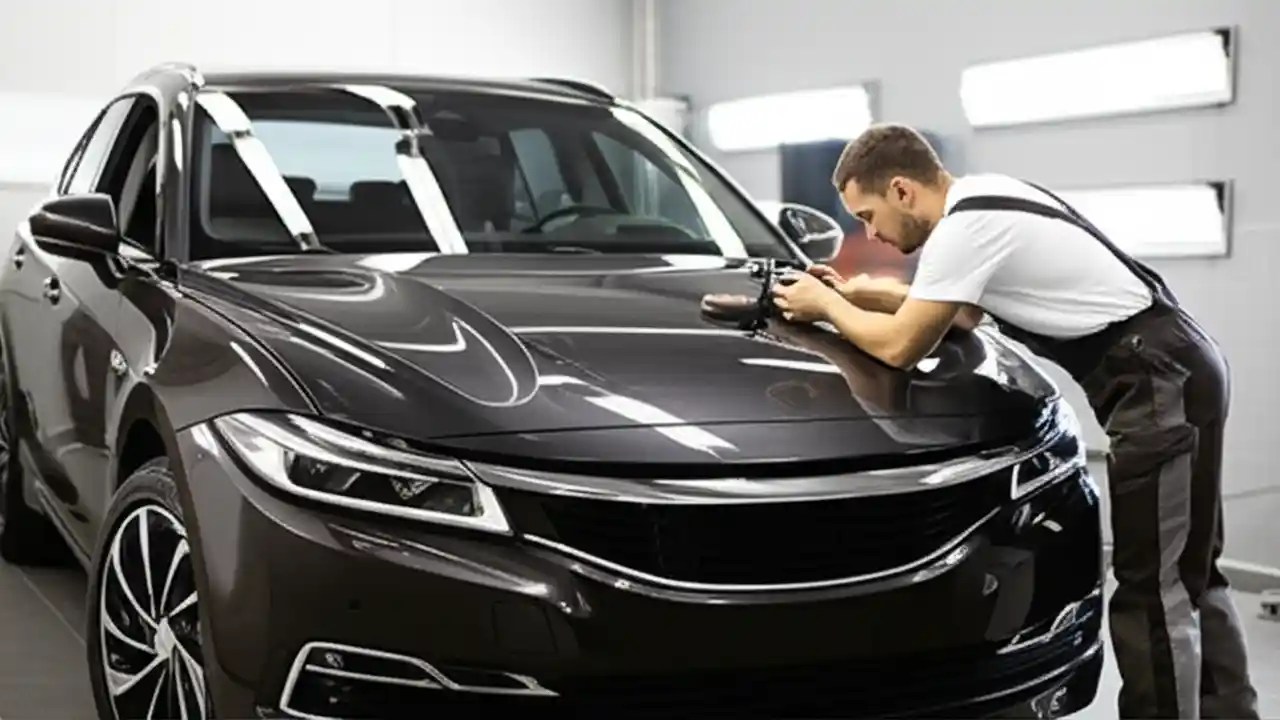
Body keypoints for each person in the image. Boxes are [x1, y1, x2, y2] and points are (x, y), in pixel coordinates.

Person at [771, 123, 1259, 720]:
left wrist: (827, 308)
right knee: (1191, 575)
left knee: (1152, 587)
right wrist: (851, 292)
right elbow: (961, 312)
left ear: (902, 190)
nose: (868, 233)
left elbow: (900, 346)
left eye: (868, 216)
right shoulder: (987, 196)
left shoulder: (964, 229)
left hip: (1158, 382)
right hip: (1184, 365)